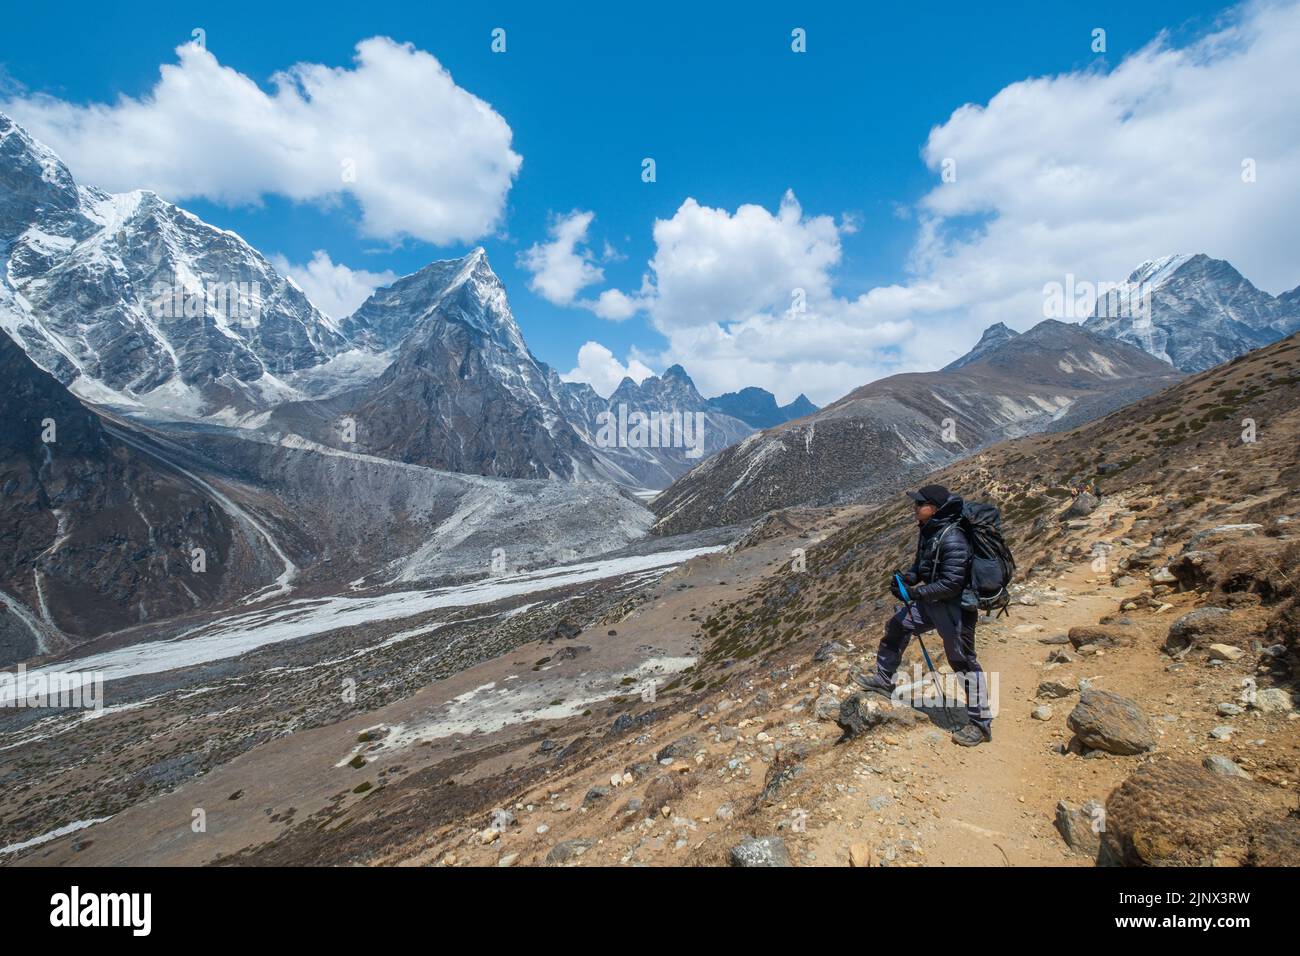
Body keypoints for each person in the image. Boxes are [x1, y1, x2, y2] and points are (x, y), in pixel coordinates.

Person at [854, 483, 994, 746]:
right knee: (897, 626)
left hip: (955, 610)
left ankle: (980, 724)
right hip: (932, 603)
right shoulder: (930, 531)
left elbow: (952, 583)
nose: (915, 507)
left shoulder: (952, 538)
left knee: (963, 662)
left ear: (935, 508)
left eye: (920, 504)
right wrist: (908, 578)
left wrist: (915, 593)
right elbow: (923, 566)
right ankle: (885, 679)